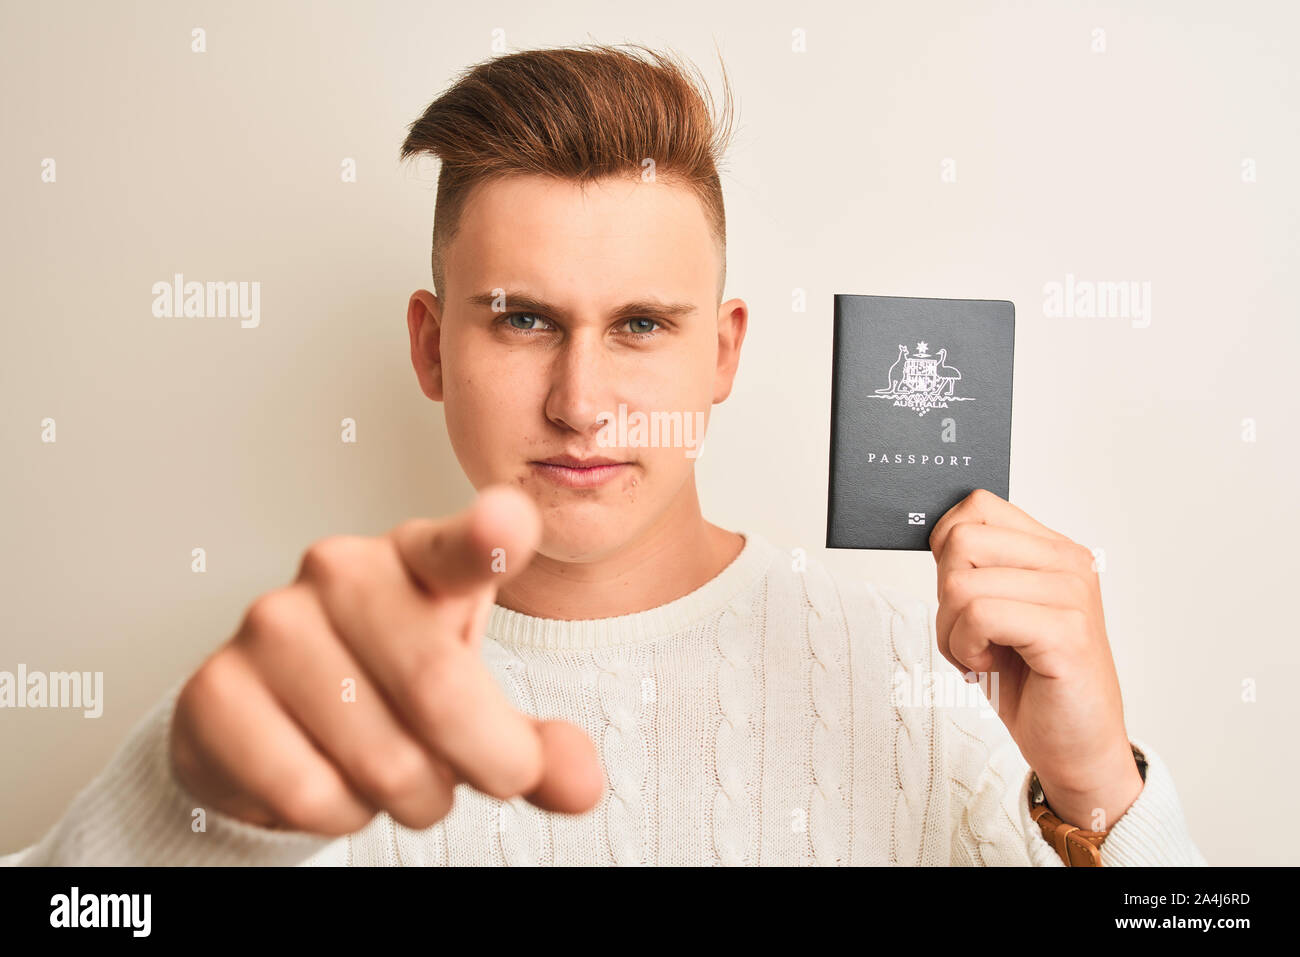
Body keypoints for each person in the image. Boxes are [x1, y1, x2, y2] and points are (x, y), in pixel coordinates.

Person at [2, 43, 1205, 867]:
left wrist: (1098, 776)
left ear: (722, 355)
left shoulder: (928, 676)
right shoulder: (307, 682)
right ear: (430, 346)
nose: (582, 406)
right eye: (522, 320)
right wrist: (170, 809)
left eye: (640, 325)